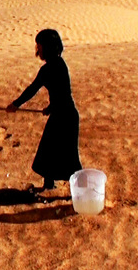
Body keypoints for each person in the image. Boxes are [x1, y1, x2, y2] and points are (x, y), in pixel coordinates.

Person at [6, 29, 82, 191]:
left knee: (65, 155)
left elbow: (32, 89)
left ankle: (82, 191)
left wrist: (15, 104)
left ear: (46, 47)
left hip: (64, 117)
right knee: (51, 150)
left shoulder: (48, 69)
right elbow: (61, 92)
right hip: (65, 114)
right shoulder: (60, 64)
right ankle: (49, 184)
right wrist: (51, 107)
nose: (37, 50)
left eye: (39, 46)